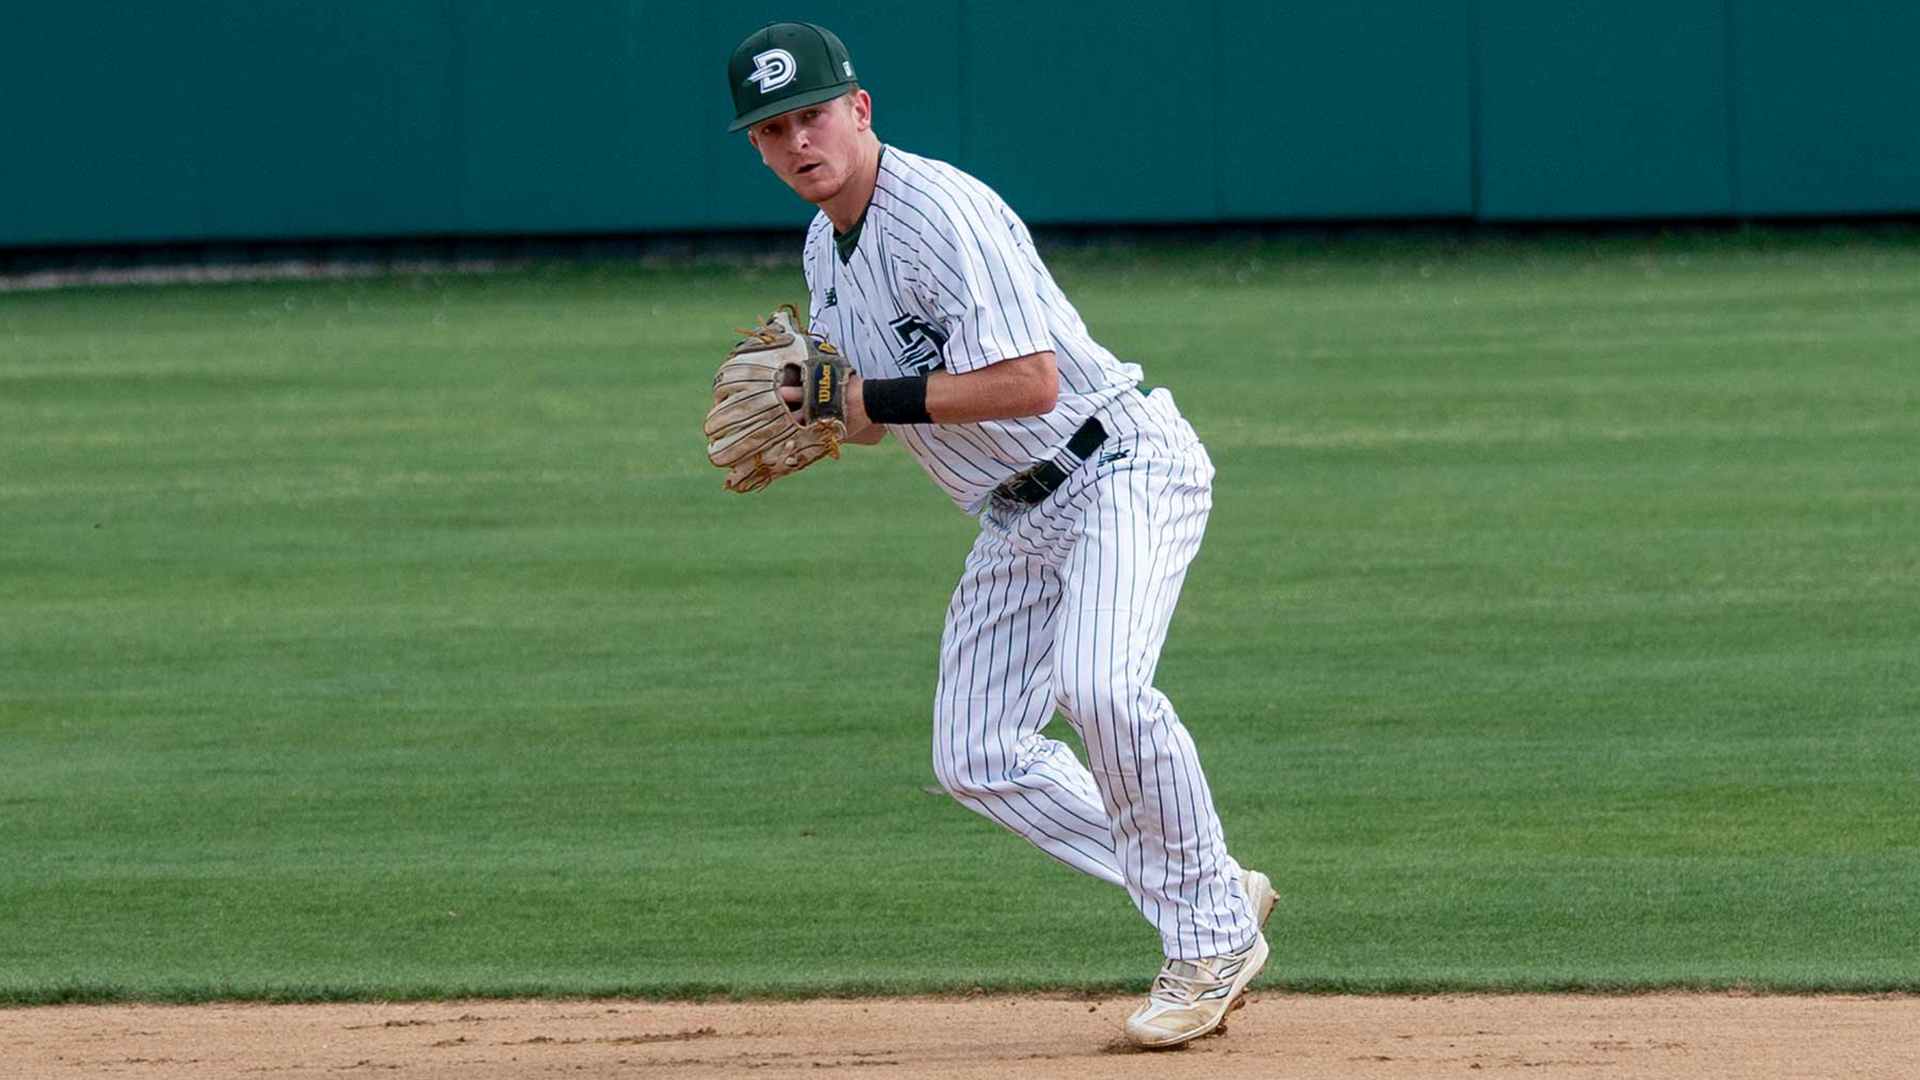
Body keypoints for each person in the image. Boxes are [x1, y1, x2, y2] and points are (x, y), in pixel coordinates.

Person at [726, 22, 1275, 1048]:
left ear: (860, 110)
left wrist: (866, 395)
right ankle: (1211, 884)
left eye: (812, 115)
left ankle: (1207, 940)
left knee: (1101, 685)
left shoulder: (938, 212)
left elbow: (1031, 381)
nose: (799, 141)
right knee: (976, 754)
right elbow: (882, 412)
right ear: (756, 148)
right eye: (772, 129)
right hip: (1018, 515)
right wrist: (829, 414)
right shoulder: (823, 247)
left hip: (1117, 464)